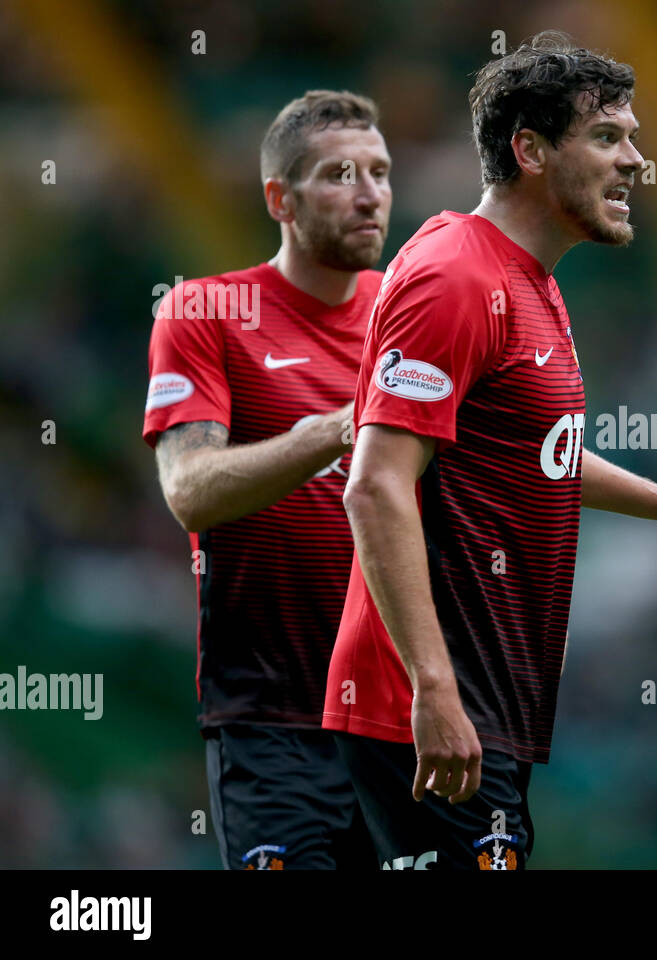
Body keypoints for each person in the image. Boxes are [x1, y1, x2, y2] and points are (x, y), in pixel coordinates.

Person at [323, 32, 657, 871]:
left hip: (484, 703)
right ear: (531, 151)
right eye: (609, 139)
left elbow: (530, 452)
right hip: (427, 706)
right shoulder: (454, 277)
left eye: (635, 139)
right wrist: (433, 689)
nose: (636, 163)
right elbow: (376, 486)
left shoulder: (529, 282)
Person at [143, 90, 391, 869]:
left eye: (381, 172)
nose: (369, 194)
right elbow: (190, 489)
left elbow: (521, 453)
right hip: (274, 721)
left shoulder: (407, 310)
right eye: (340, 174)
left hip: (408, 720)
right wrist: (324, 433)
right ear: (279, 199)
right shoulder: (206, 310)